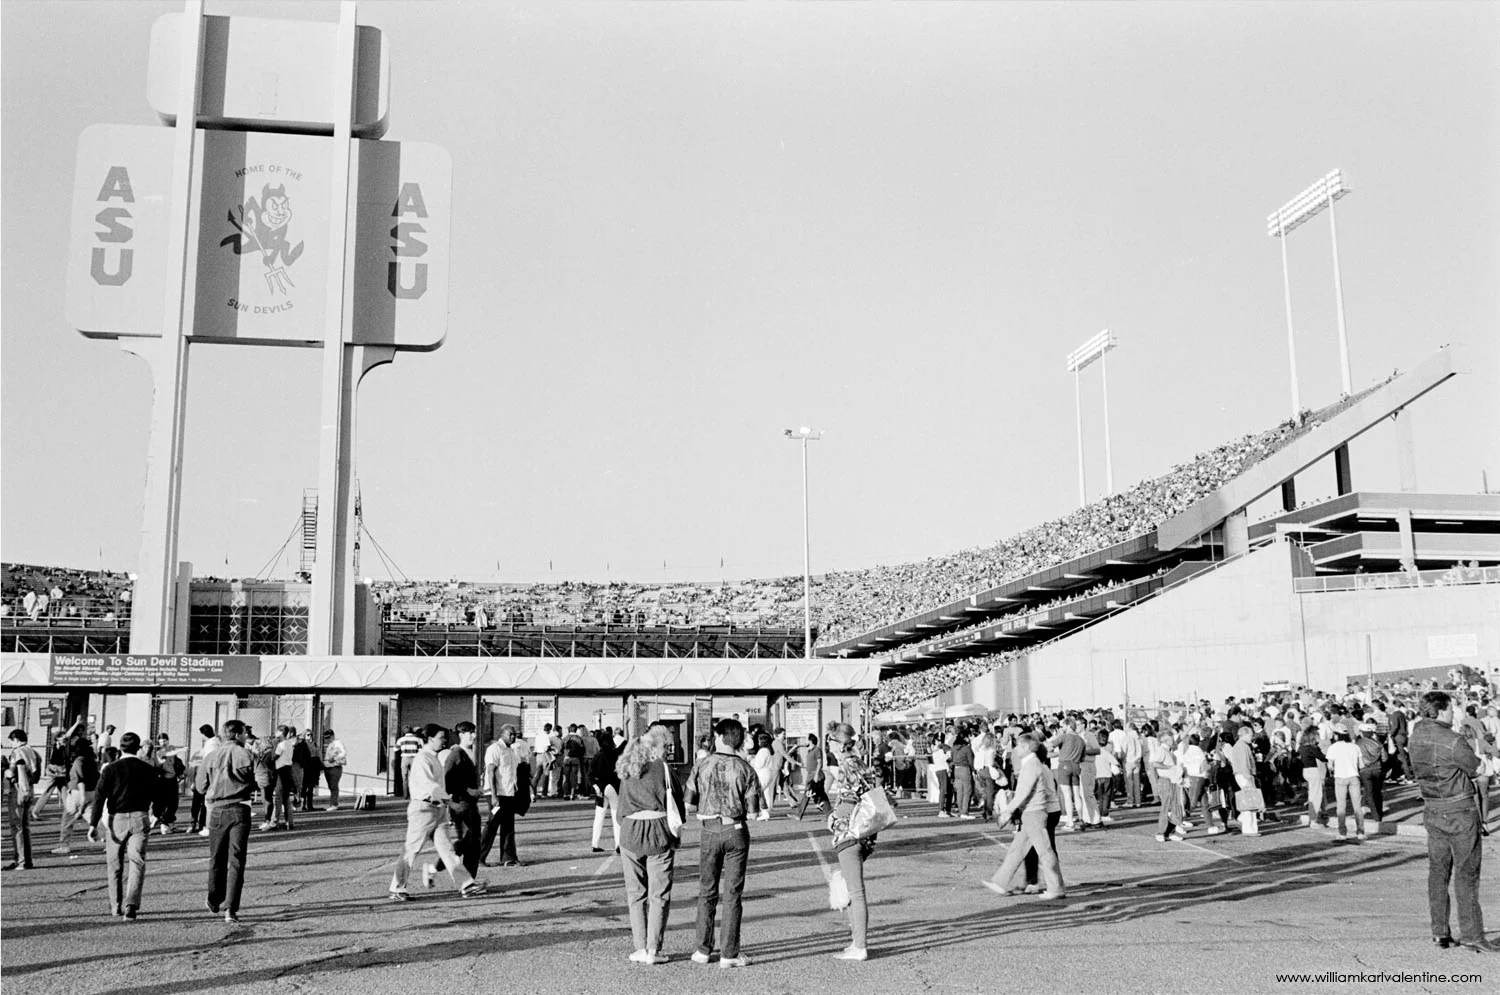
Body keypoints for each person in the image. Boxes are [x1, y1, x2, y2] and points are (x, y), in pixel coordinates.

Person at [1410, 691, 1496, 952]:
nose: (1452, 713)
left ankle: (1440, 931)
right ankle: (1471, 934)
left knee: (1438, 872)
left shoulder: (1416, 736)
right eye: (1449, 709)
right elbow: (1477, 769)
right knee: (1467, 874)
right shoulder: (1453, 740)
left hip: (1432, 808)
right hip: (1459, 809)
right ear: (1440, 710)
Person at [685, 717, 762, 968]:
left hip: (709, 829)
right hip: (736, 829)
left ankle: (702, 949)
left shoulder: (701, 765)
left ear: (719, 737)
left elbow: (689, 804)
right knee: (732, 894)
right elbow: (753, 812)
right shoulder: (746, 769)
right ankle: (729, 953)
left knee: (706, 891)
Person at [389, 723, 483, 901]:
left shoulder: (434, 757)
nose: (444, 741)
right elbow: (429, 785)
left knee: (447, 850)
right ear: (429, 739)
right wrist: (448, 799)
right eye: (441, 737)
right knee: (411, 849)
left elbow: (440, 785)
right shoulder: (422, 759)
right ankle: (397, 888)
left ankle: (466, 885)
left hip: (438, 808)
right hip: (423, 809)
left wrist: (445, 803)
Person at [616, 726, 685, 964]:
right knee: (659, 894)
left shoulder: (628, 769)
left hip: (630, 831)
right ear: (655, 747)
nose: (668, 751)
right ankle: (654, 948)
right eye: (666, 746)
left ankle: (640, 947)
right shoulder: (664, 769)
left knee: (635, 894)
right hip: (658, 830)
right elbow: (678, 802)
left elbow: (621, 809)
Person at [983, 735, 1065, 898]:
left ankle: (1056, 888)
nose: (1016, 750)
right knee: (1017, 850)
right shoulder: (1031, 764)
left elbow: (1023, 791)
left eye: (1019, 746)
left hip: (1034, 812)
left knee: (1045, 851)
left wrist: (1008, 811)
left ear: (1026, 748)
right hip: (1030, 812)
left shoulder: (1031, 764)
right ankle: (1000, 882)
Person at [825, 722, 880, 961]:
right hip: (866, 831)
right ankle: (856, 942)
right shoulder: (859, 763)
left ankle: (860, 945)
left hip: (849, 832)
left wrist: (834, 816)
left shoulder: (846, 766)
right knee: (851, 886)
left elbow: (848, 800)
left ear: (838, 743)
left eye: (830, 740)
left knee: (854, 890)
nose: (828, 744)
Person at [86, 732, 155, 919]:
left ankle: (115, 905)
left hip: (117, 819)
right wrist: (156, 814)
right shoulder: (148, 769)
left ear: (120, 747)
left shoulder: (110, 769)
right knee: (137, 861)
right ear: (139, 747)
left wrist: (93, 824)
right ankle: (131, 905)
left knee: (114, 863)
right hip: (140, 817)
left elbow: (99, 797)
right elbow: (158, 794)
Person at [196, 720, 256, 923]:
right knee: (237, 860)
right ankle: (231, 908)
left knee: (216, 858)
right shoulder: (247, 754)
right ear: (238, 734)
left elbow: (200, 786)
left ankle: (214, 899)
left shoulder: (211, 755)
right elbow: (260, 779)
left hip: (216, 809)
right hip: (240, 807)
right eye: (244, 733)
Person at [443, 721, 484, 879]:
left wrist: (476, 789)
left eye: (474, 732)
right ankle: (439, 865)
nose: (474, 736)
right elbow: (447, 780)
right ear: (461, 735)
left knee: (473, 844)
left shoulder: (469, 753)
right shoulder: (455, 754)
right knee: (469, 843)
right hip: (461, 804)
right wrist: (467, 790)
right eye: (470, 733)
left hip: (471, 804)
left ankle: (468, 881)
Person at [480, 724, 523, 867]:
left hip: (509, 793)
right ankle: (478, 857)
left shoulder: (511, 751)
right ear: (502, 734)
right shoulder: (494, 749)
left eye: (514, 734)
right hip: (497, 794)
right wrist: (493, 796)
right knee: (492, 825)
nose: (513, 737)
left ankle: (508, 857)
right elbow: (491, 772)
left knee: (508, 826)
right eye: (510, 734)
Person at [4, 729, 40, 870]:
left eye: (11, 741)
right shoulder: (33, 752)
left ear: (17, 740)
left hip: (18, 790)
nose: (11, 744)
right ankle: (27, 860)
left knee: (16, 826)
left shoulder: (17, 752)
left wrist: (5, 770)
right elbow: (36, 774)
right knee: (25, 827)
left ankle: (20, 860)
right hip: (30, 789)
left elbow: (11, 773)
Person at [589, 726, 621, 854]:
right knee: (616, 816)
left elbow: (590, 774)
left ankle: (595, 843)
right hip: (613, 787)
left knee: (599, 817)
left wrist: (596, 786)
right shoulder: (615, 754)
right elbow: (625, 745)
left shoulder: (597, 756)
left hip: (600, 788)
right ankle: (618, 844)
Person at [150, 733, 184, 835]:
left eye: (164, 741)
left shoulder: (172, 748)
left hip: (172, 778)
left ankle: (169, 822)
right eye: (160, 742)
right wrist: (181, 750)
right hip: (164, 780)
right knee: (163, 802)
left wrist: (179, 773)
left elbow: (173, 756)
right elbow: (169, 754)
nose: (163, 743)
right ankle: (163, 822)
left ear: (168, 741)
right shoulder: (159, 752)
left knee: (173, 802)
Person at [792, 733, 829, 821]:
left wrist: (816, 775)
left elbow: (819, 763)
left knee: (808, 794)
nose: (805, 741)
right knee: (820, 795)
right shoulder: (810, 750)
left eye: (806, 739)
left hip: (815, 775)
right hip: (810, 774)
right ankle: (829, 814)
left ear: (810, 740)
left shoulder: (817, 750)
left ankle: (799, 814)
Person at [750, 732, 777, 820]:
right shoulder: (768, 750)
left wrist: (752, 761)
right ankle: (766, 811)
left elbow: (759, 764)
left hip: (762, 774)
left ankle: (764, 812)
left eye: (759, 740)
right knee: (766, 793)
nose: (758, 742)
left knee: (759, 793)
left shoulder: (762, 751)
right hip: (768, 773)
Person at [321, 730, 347, 810]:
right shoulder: (329, 745)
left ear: (332, 736)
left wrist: (335, 758)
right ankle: (332, 803)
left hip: (335, 767)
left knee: (334, 786)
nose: (327, 739)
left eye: (328, 737)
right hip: (328, 767)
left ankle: (334, 804)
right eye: (325, 738)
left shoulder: (337, 743)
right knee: (331, 786)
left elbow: (343, 753)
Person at [396, 726, 423, 800]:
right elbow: (421, 749)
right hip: (414, 759)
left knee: (404, 778)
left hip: (405, 758)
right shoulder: (417, 739)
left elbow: (395, 749)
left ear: (404, 732)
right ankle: (413, 795)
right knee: (414, 778)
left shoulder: (401, 740)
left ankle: (405, 795)